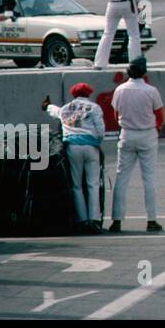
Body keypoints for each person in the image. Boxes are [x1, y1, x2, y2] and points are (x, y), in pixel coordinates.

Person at [108, 57, 164, 233]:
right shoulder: (151, 90)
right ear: (144, 72)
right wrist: (157, 128)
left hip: (127, 134)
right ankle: (151, 219)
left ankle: (116, 220)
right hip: (147, 134)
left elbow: (115, 113)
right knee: (149, 178)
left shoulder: (120, 90)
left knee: (121, 178)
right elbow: (160, 115)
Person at [41, 82, 105, 233]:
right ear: (88, 93)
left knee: (76, 185)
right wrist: (97, 142)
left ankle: (81, 220)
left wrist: (47, 106)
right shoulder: (94, 108)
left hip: (72, 148)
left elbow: (54, 111)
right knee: (93, 184)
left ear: (73, 94)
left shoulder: (65, 109)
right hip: (91, 147)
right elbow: (101, 130)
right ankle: (94, 220)